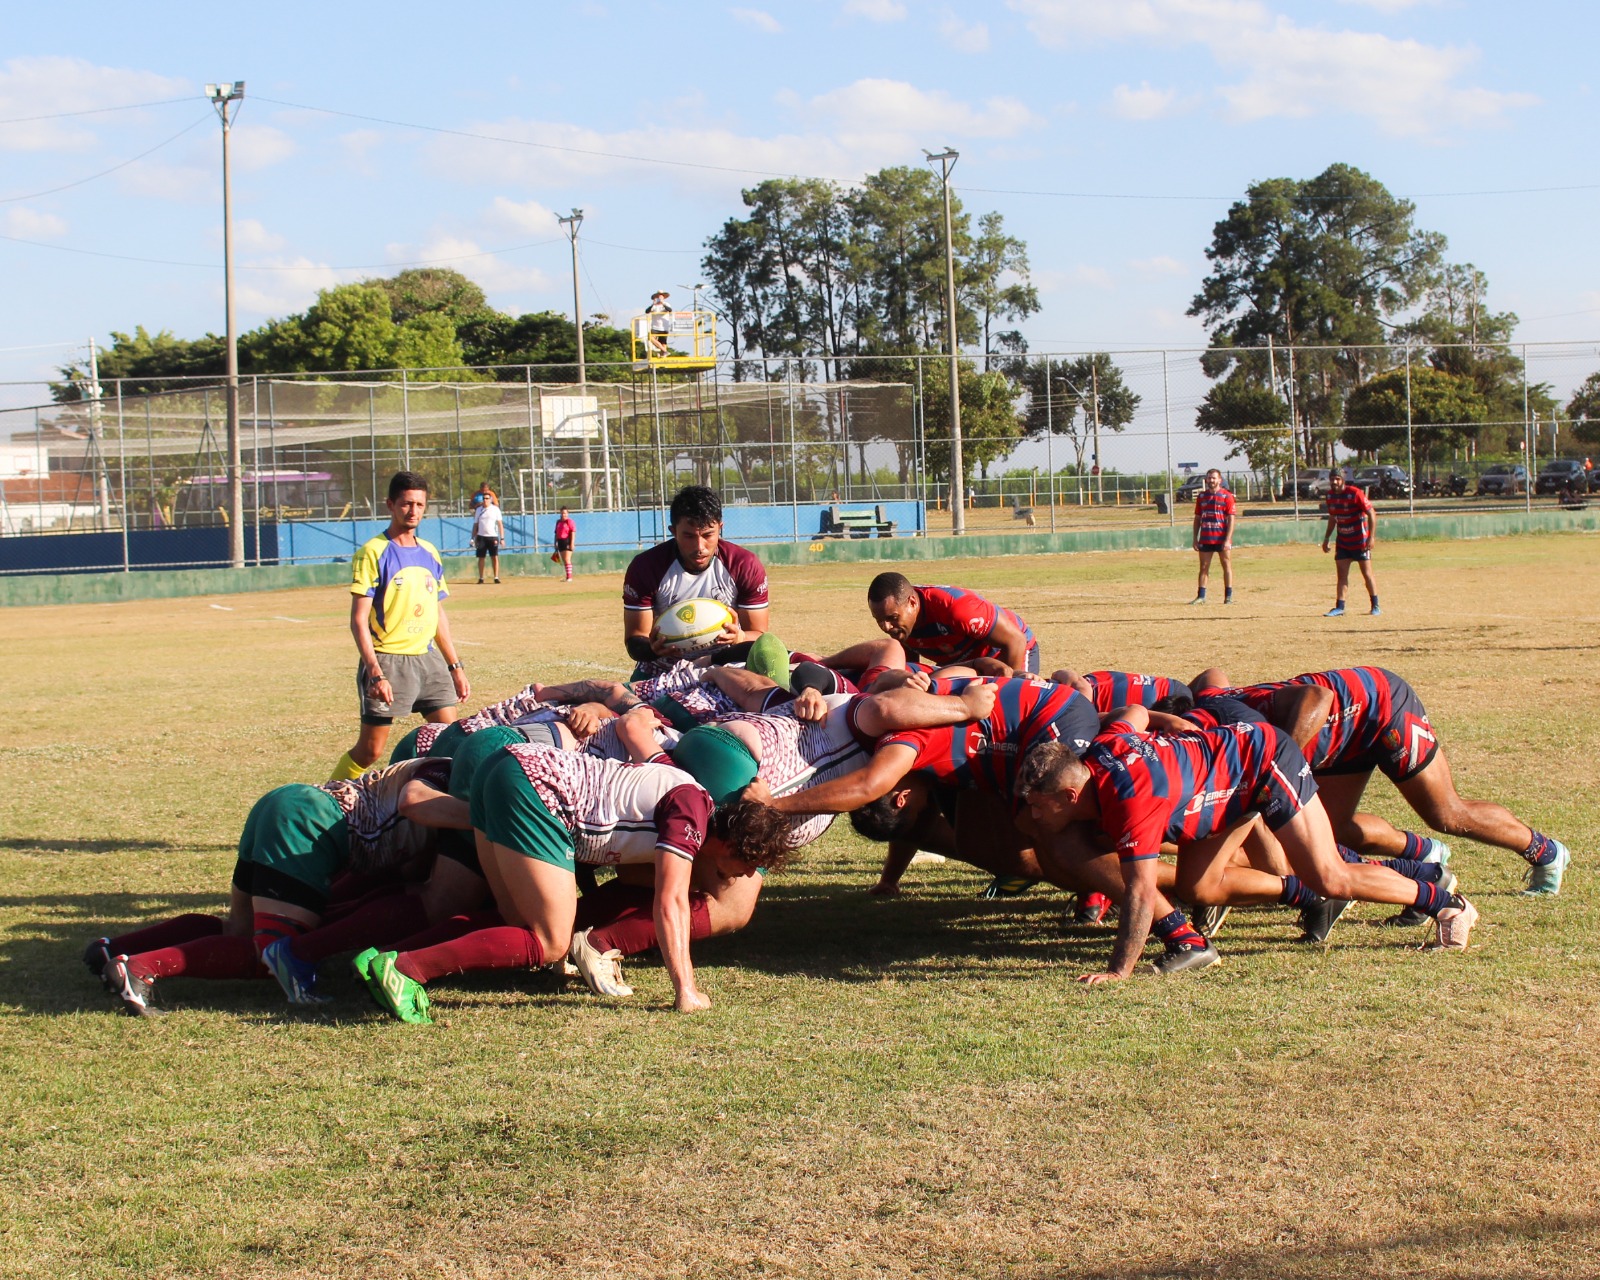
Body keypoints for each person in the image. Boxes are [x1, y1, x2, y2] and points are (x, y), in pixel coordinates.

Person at [1017, 710, 1480, 981]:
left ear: (1070, 796)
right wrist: (1173, 729)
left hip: (1262, 764)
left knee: (1327, 875)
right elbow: (1133, 714)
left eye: (1039, 807)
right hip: (1223, 783)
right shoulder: (1099, 752)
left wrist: (1118, 972)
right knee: (1199, 887)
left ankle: (1447, 904)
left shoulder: (1131, 798)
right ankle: (1403, 878)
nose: (1034, 817)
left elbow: (1139, 892)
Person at [90, 758, 469, 1015]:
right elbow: (415, 801)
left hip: (294, 807)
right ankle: (140, 967)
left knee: (238, 929)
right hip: (309, 824)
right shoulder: (449, 769)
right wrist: (487, 817)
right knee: (268, 957)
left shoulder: (439, 763)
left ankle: (113, 949)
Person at [1198, 667, 1572, 896]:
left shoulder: (1229, 728)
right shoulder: (1208, 712)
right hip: (1342, 736)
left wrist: (1279, 760)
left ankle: (1547, 853)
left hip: (1381, 706)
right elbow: (1211, 675)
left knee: (1446, 813)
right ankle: (1423, 853)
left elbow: (1318, 696)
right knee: (1331, 830)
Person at [331, 471, 470, 782]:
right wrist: (376, 672)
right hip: (389, 661)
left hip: (429, 660)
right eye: (407, 504)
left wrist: (455, 666)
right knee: (371, 750)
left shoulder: (430, 552)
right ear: (390, 505)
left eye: (420, 505)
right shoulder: (373, 552)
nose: (414, 511)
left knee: (452, 742)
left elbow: (437, 614)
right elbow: (358, 621)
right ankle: (331, 795)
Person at [622, 485, 769, 671]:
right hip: (663, 668)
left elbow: (759, 634)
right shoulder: (646, 567)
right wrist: (652, 649)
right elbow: (635, 639)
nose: (699, 546)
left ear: (720, 529)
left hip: (724, 666)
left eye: (708, 535)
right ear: (673, 531)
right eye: (689, 536)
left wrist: (740, 637)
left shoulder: (743, 565)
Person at [865, 573, 1040, 674]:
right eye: (879, 620)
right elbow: (909, 669)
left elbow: (1015, 640)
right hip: (968, 663)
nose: (886, 627)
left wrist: (1011, 689)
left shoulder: (956, 608)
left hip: (1011, 649)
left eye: (892, 618)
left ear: (912, 603)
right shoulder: (902, 625)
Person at [1322, 471, 1379, 617]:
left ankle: (1375, 605)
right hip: (1343, 542)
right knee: (1342, 576)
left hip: (1360, 541)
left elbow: (1371, 513)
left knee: (1367, 574)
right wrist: (1327, 538)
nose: (1334, 482)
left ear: (1343, 480)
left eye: (1337, 479)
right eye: (1332, 479)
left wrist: (1371, 537)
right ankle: (1340, 607)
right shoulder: (1330, 496)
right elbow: (1332, 518)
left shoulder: (1355, 493)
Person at [1190, 468, 1235, 605]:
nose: (1211, 480)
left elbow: (1231, 519)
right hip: (1206, 537)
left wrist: (1227, 539)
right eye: (1209, 478)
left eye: (1214, 478)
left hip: (1221, 538)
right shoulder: (1202, 497)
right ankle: (1201, 596)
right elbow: (1197, 518)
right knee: (1204, 566)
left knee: (1226, 565)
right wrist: (1195, 538)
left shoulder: (1227, 497)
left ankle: (1228, 596)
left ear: (1220, 480)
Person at [472, 485, 503, 584]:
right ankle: (481, 578)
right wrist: (473, 537)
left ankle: (496, 577)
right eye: (484, 498)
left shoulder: (495, 510)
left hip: (492, 536)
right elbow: (475, 524)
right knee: (481, 557)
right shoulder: (478, 510)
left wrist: (502, 538)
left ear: (490, 500)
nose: (485, 500)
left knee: (494, 557)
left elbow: (500, 524)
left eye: (487, 498)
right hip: (481, 537)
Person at [646, 289, 672, 355]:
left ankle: (663, 355)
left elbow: (669, 310)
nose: (659, 298)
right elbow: (647, 311)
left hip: (664, 327)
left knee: (663, 342)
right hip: (655, 327)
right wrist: (653, 304)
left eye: (661, 296)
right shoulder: (654, 306)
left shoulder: (666, 304)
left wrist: (662, 303)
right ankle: (664, 350)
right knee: (651, 338)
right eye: (658, 296)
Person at [553, 506, 576, 582]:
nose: (564, 515)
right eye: (562, 513)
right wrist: (555, 542)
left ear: (568, 514)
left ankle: (570, 577)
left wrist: (571, 543)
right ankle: (567, 577)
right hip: (560, 541)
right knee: (564, 560)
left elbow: (573, 532)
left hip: (567, 541)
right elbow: (556, 533)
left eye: (565, 513)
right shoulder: (558, 522)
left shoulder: (569, 521)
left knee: (567, 559)